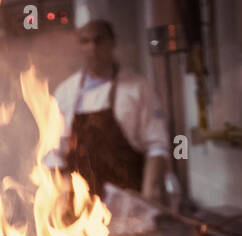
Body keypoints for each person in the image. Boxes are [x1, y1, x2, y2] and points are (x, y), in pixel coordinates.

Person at [44, 0, 171, 203]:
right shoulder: (64, 93)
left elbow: (157, 146)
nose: (92, 47)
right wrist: (62, 198)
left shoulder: (138, 89)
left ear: (112, 42)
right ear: (79, 46)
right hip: (81, 209)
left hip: (131, 204)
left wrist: (147, 198)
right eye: (85, 41)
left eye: (99, 40)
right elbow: (53, 154)